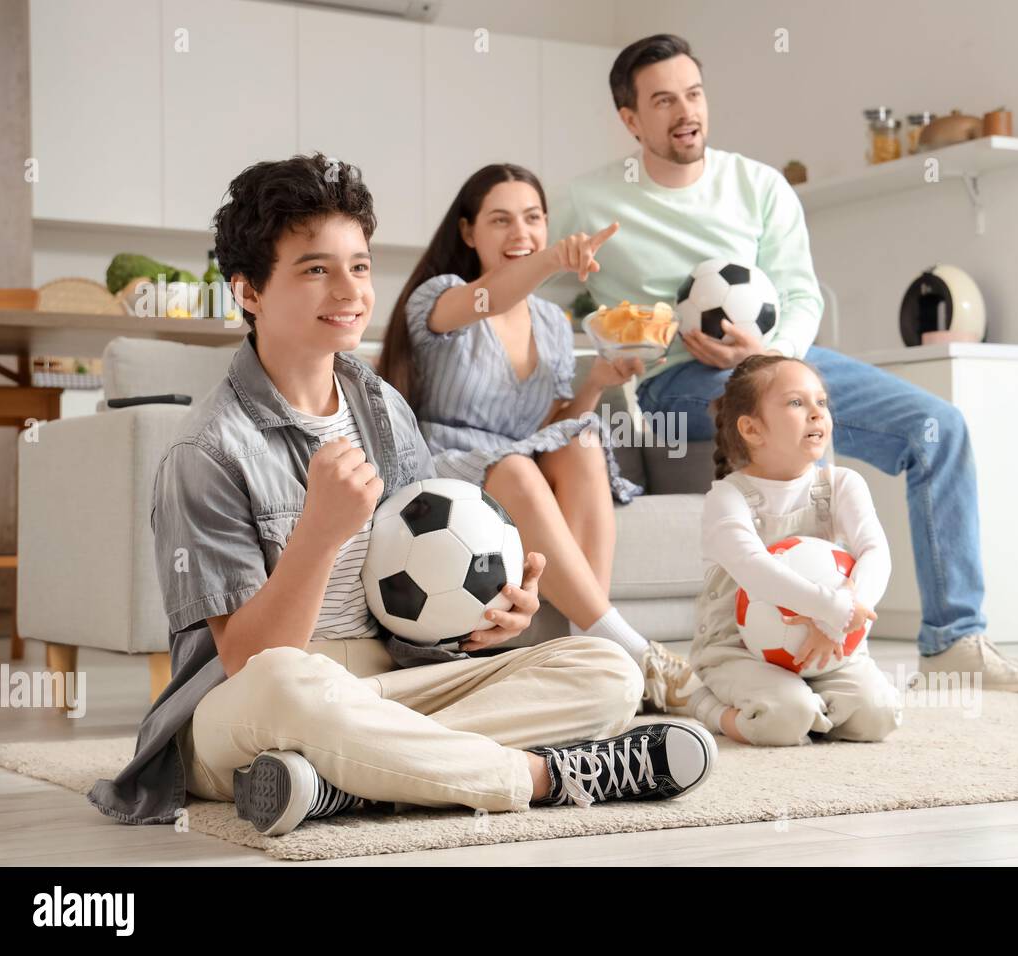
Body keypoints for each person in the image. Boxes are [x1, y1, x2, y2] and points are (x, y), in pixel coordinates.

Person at [87, 153, 715, 837]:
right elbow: (247, 660)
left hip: (388, 684)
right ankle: (544, 777)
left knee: (602, 671)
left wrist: (488, 622)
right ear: (249, 292)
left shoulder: (381, 409)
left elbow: (425, 606)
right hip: (255, 706)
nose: (350, 291)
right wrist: (320, 536)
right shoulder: (206, 450)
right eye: (315, 269)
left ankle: (339, 781)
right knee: (291, 687)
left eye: (358, 266)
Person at [551, 34, 1018, 694]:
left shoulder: (758, 185)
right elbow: (545, 308)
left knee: (939, 428)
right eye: (663, 100)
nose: (685, 111)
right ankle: (786, 634)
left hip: (783, 360)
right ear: (630, 119)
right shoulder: (587, 202)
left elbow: (799, 293)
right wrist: (593, 311)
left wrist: (770, 355)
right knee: (783, 410)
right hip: (679, 382)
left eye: (694, 94)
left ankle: (954, 641)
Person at [377, 163, 697, 713]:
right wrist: (552, 260)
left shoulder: (552, 321)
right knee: (520, 467)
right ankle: (624, 649)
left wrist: (597, 379)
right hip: (446, 460)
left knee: (583, 441)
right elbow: (492, 299)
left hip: (513, 462)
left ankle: (586, 646)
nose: (520, 233)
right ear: (468, 232)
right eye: (500, 220)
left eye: (533, 219)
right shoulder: (443, 296)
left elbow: (546, 431)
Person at [687, 354, 902, 745]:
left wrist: (840, 618)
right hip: (739, 651)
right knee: (784, 720)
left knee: (879, 716)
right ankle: (702, 703)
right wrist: (830, 608)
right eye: (797, 403)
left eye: (821, 402)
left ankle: (814, 700)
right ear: (752, 429)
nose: (817, 413)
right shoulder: (728, 498)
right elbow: (755, 569)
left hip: (827, 644)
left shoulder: (842, 484)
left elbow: (876, 552)